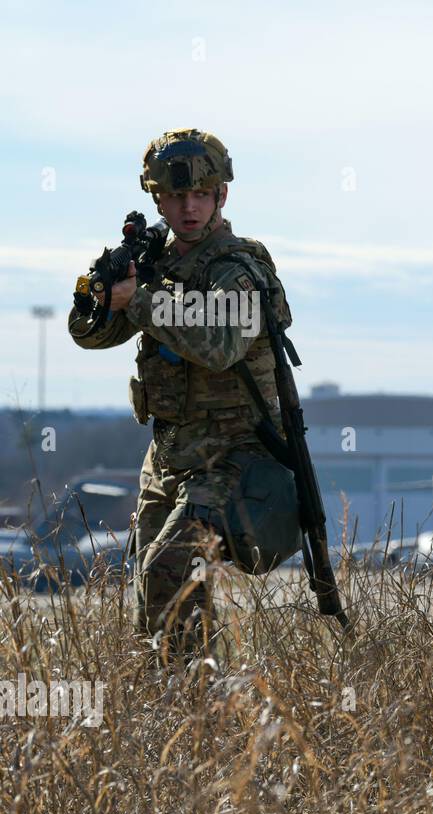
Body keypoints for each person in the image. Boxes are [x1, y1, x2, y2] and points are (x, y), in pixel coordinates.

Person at [68, 128, 296, 665]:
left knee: (166, 575)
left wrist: (139, 300)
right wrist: (101, 290)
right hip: (169, 458)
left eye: (200, 195)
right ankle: (174, 700)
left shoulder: (239, 270)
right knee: (150, 599)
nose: (188, 208)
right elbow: (90, 335)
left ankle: (196, 695)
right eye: (175, 196)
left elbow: (219, 346)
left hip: (233, 456)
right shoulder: (159, 264)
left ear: (221, 195)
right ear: (158, 199)